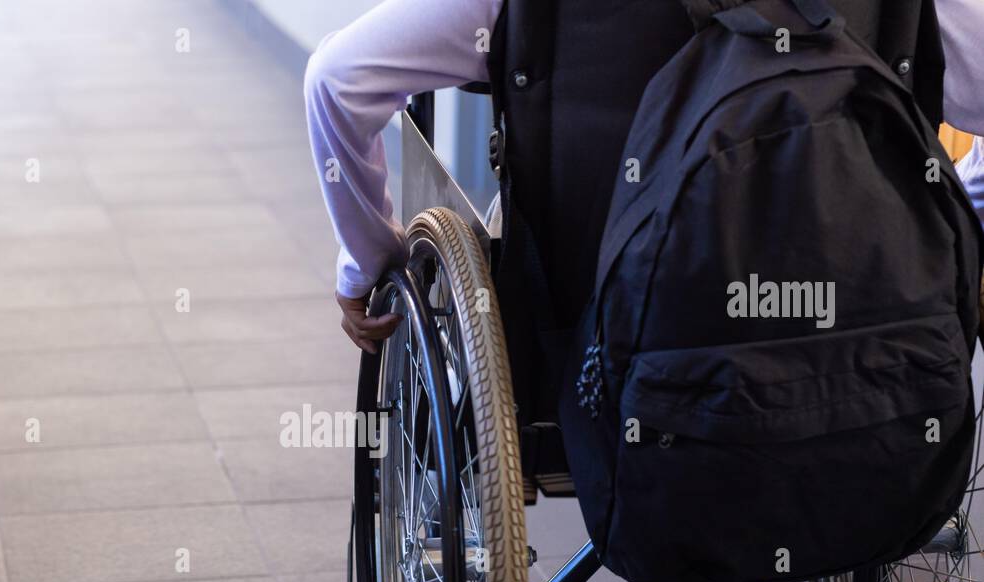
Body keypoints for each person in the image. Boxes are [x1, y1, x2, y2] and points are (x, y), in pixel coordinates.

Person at [305, 0, 984, 352]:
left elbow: (336, 82)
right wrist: (963, 237)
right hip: (868, 331)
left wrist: (368, 262)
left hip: (609, 352)